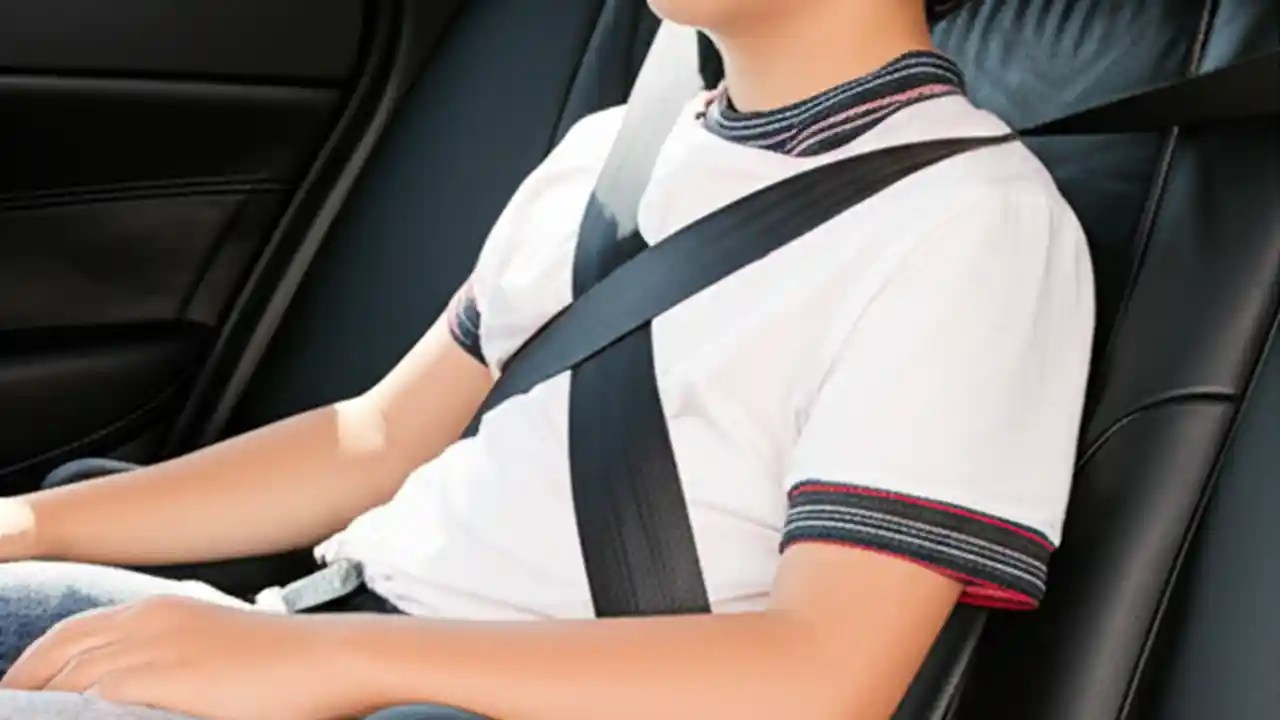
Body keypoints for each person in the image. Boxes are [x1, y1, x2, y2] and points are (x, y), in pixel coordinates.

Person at [0, 0, 1095, 718]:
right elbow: (374, 440)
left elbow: (822, 673)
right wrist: (32, 525)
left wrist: (337, 666)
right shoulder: (605, 153)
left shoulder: (967, 222)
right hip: (320, 627)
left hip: (443, 691)